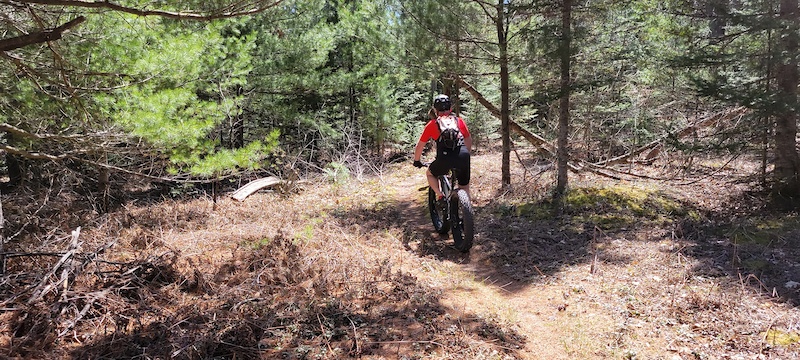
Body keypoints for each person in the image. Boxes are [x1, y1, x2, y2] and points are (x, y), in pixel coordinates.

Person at [412, 94, 472, 207]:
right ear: (450, 108)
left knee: (430, 174)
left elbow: (420, 145)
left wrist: (417, 160)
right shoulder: (459, 121)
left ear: (435, 109)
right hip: (463, 156)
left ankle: (440, 196)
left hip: (444, 159)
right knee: (464, 187)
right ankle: (467, 216)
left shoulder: (432, 125)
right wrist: (465, 154)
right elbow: (468, 139)